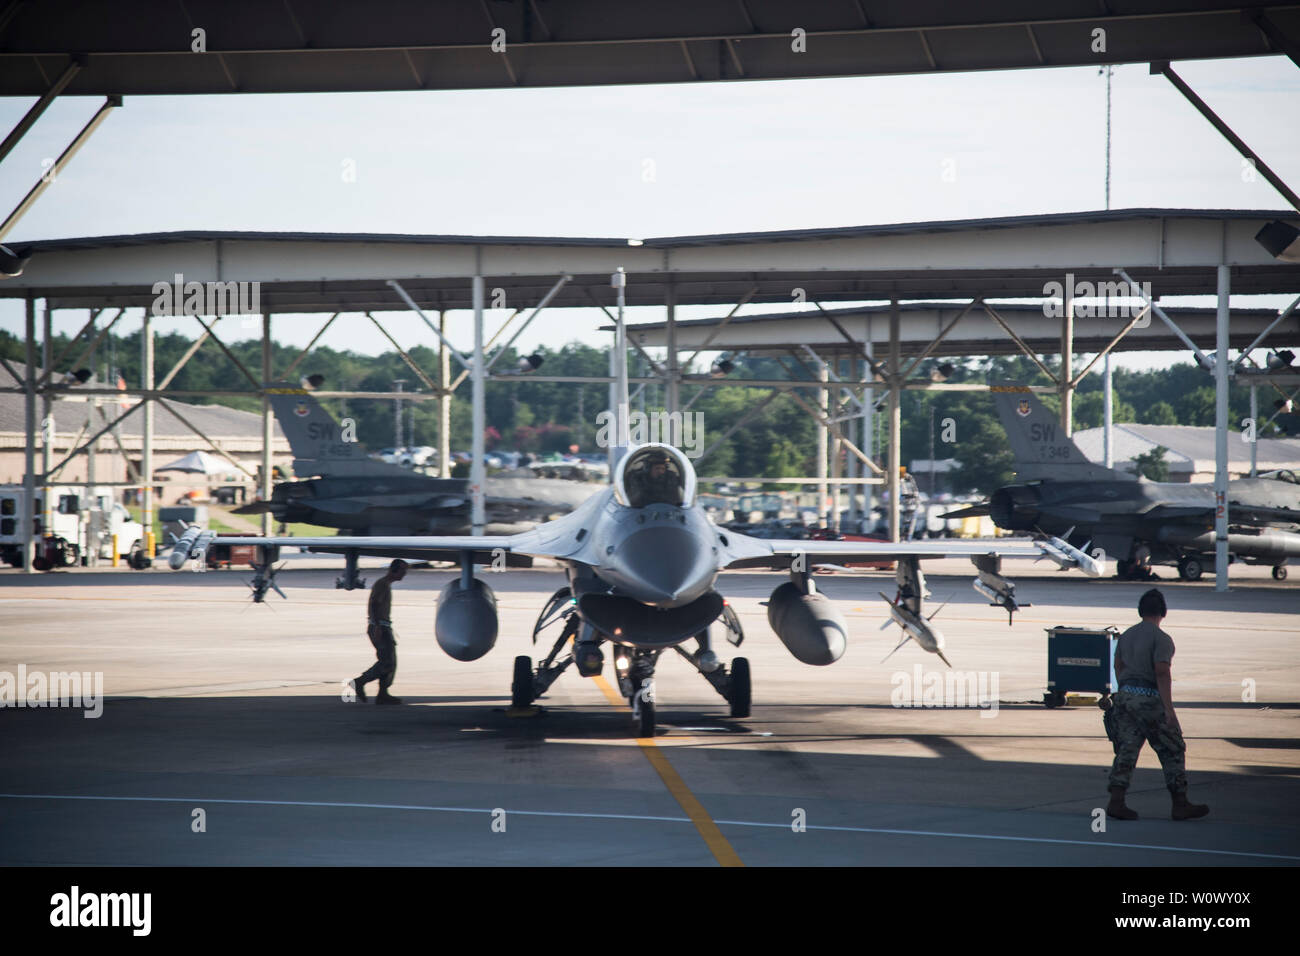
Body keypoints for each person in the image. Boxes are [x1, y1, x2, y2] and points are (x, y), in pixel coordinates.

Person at [1105, 588, 1209, 821]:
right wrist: (1169, 709)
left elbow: (1118, 666)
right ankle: (1180, 803)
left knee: (1127, 749)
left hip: (1125, 697)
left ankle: (1116, 801)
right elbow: (1161, 672)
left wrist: (1125, 693)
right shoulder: (1162, 639)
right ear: (1163, 612)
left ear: (1141, 611)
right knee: (1173, 748)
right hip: (1149, 699)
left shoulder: (1127, 635)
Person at [349, 559, 408, 704]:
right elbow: (374, 604)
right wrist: (377, 626)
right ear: (394, 570)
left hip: (383, 626)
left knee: (389, 661)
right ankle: (359, 682)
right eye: (403, 571)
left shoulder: (385, 584)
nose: (404, 574)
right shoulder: (382, 584)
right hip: (380, 627)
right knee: (387, 662)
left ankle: (382, 694)